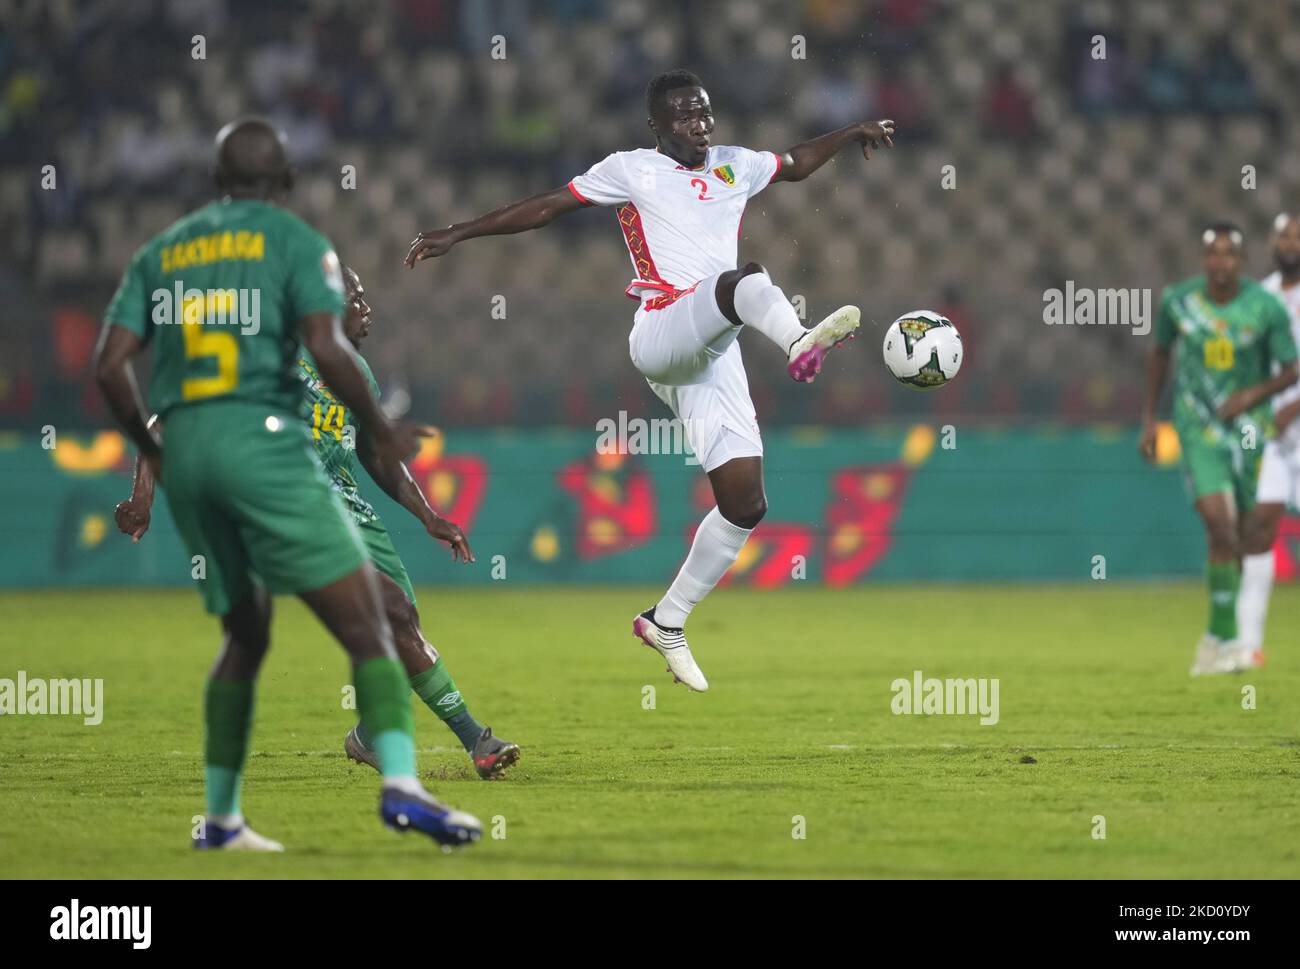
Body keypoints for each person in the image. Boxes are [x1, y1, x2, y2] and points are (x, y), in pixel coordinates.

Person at [406, 69, 895, 692]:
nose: (700, 125)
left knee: (745, 504)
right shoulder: (632, 169)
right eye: (685, 115)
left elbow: (796, 163)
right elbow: (549, 206)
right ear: (656, 125)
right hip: (663, 329)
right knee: (742, 281)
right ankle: (799, 342)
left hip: (714, 350)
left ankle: (667, 619)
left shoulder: (734, 164)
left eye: (705, 112)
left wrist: (850, 132)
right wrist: (460, 232)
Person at [95, 117, 481, 850]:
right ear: (286, 182)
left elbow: (111, 366)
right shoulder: (295, 245)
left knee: (244, 636)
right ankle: (402, 788)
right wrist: (379, 424)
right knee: (374, 619)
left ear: (217, 181)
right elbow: (329, 349)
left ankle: (223, 821)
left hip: (197, 465)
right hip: (268, 457)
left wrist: (146, 478)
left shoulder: (163, 252)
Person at [115, 265, 521, 780]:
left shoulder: (357, 374)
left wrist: (429, 516)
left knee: (401, 626)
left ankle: (369, 736)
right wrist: (142, 497)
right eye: (357, 298)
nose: (367, 309)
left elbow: (376, 453)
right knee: (393, 613)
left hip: (350, 510)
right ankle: (476, 740)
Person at [1139, 221, 1298, 675]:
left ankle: (1218, 635)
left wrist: (1250, 397)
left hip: (1250, 430)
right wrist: (1150, 418)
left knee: (1246, 534)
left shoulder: (1264, 306)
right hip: (1199, 428)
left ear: (1241, 260)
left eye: (1229, 254)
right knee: (1220, 523)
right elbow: (1160, 353)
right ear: (1203, 258)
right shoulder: (1178, 301)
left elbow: (1292, 368)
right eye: (1213, 253)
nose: (1220, 262)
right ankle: (1231, 640)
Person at [1237, 213, 1300, 662]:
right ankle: (1248, 644)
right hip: (1274, 434)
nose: (1290, 243)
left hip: (1292, 418)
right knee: (1259, 526)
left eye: (1298, 236)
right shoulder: (1260, 296)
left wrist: (1293, 408)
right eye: (1284, 236)